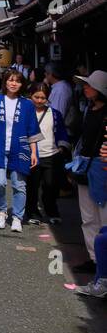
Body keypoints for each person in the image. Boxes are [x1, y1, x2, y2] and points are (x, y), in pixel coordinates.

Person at [0, 69, 40, 232]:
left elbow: (32, 129)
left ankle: (17, 216)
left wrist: (34, 152)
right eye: (10, 80)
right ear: (5, 82)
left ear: (22, 84)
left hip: (20, 147)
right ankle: (1, 212)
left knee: (19, 184)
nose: (13, 83)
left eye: (17, 81)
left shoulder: (27, 104)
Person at [71, 70, 107, 274]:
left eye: (89, 85)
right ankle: (94, 259)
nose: (84, 88)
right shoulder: (87, 109)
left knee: (104, 217)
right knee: (87, 217)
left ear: (100, 90)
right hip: (85, 167)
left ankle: (104, 261)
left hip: (102, 169)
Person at [26, 84, 71, 226]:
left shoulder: (55, 114)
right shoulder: (26, 112)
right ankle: (33, 212)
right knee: (32, 186)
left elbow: (62, 132)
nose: (39, 101)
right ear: (30, 96)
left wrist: (62, 149)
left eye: (43, 98)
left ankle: (52, 211)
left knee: (51, 185)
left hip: (52, 154)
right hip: (32, 155)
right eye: (36, 97)